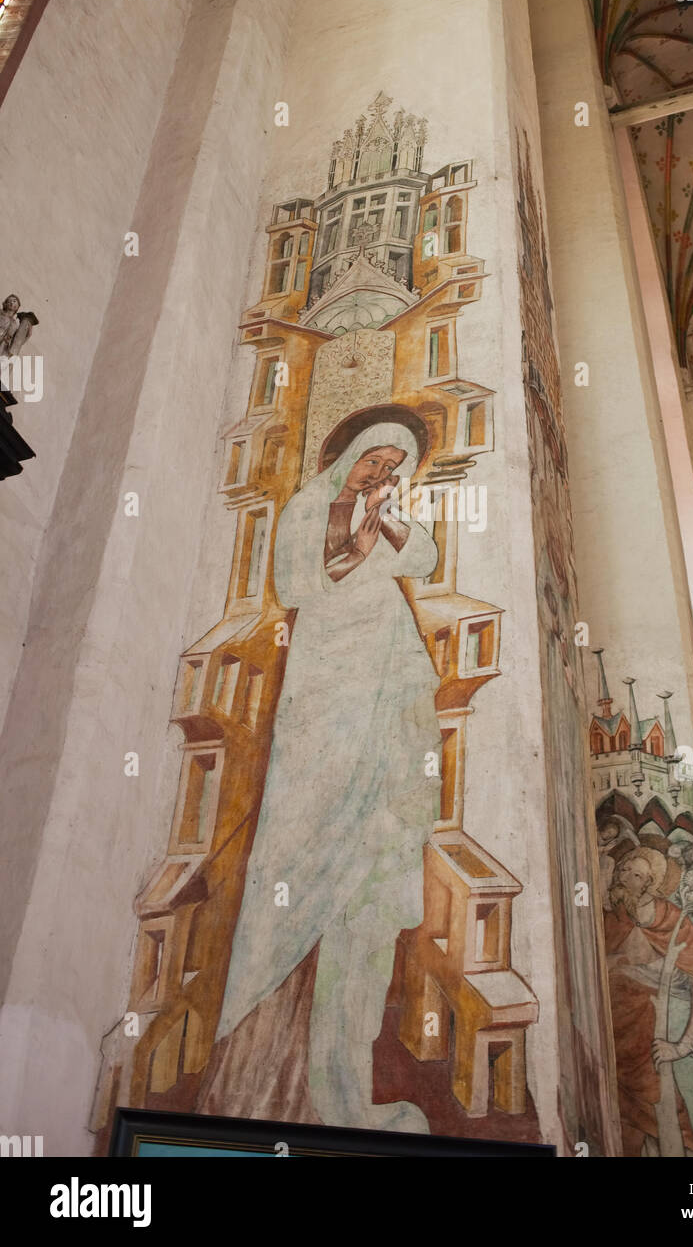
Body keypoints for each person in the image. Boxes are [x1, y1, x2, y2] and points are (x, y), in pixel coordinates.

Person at [202, 420, 441, 1132]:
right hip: (326, 687)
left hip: (383, 676)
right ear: (346, 456)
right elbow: (300, 583)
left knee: (368, 859)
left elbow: (424, 562)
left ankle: (336, 1079)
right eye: (374, 459)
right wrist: (359, 534)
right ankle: (262, 1074)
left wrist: (389, 521)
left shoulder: (387, 508)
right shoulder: (311, 507)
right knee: (306, 843)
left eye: (394, 465)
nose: (380, 472)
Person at [605, 848, 693, 1156]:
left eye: (635, 874)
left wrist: (684, 1044)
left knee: (657, 1104)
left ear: (650, 884)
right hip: (609, 1033)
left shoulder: (670, 918)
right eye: (624, 869)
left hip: (645, 1030)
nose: (624, 877)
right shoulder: (611, 918)